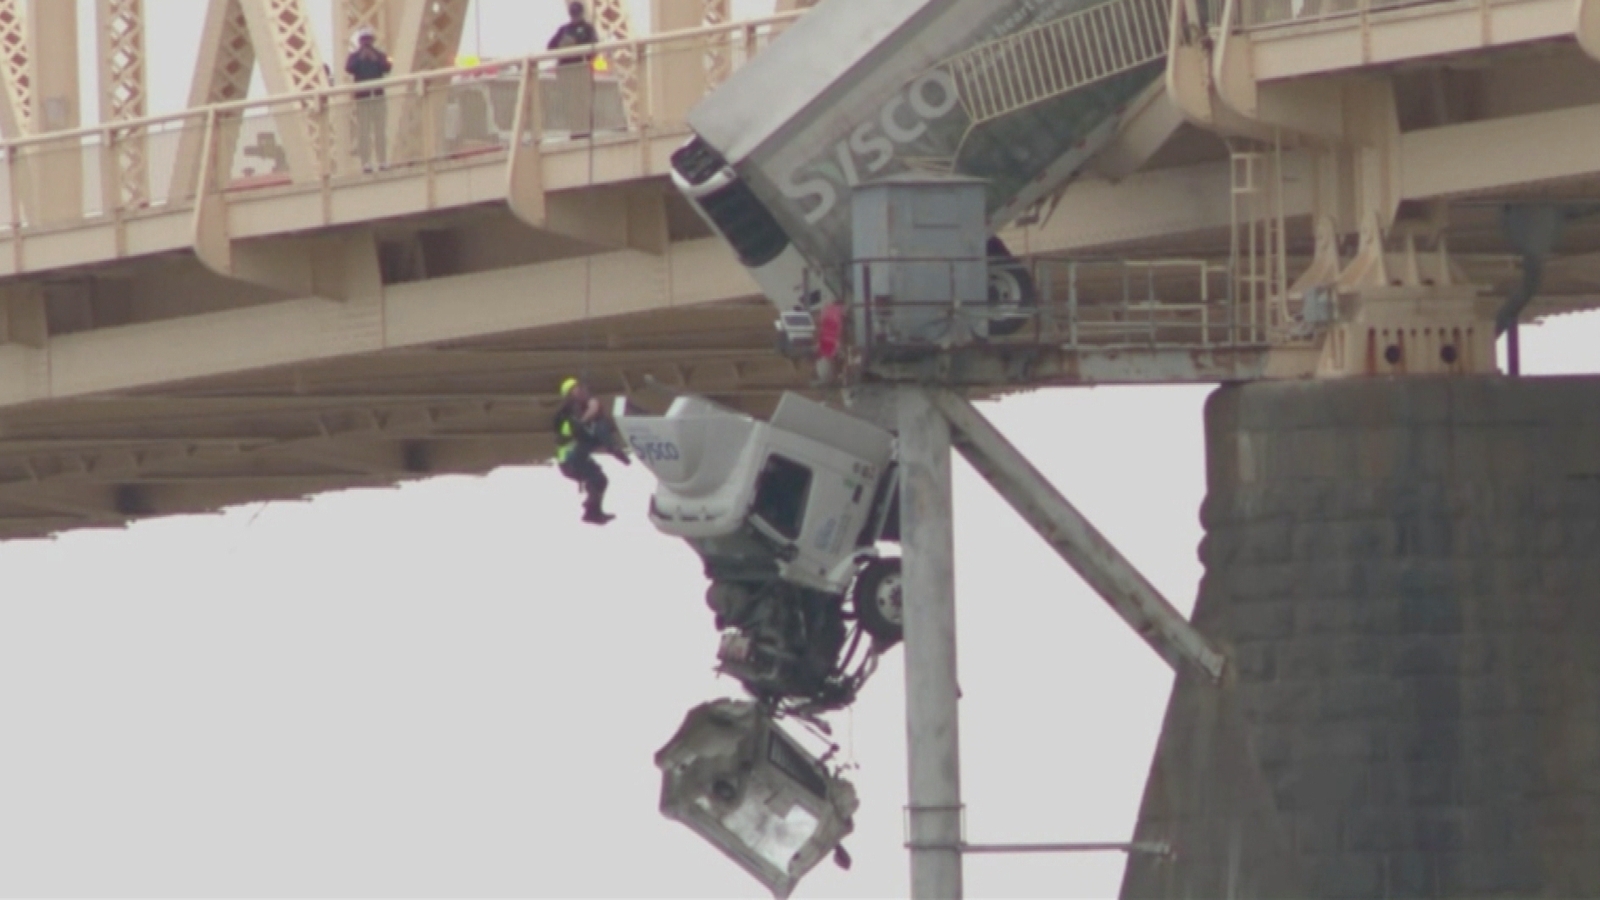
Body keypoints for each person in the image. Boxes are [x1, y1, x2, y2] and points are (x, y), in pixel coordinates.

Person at [554, 377, 628, 525]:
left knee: (600, 480)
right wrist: (584, 423)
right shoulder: (567, 414)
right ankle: (591, 509)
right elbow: (570, 433)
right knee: (597, 479)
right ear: (570, 394)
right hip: (570, 459)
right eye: (576, 389)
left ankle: (592, 511)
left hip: (576, 457)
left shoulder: (580, 409)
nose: (581, 391)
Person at [345, 27, 392, 172]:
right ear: (360, 42)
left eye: (368, 40)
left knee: (380, 131)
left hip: (378, 97)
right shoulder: (354, 56)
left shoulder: (379, 55)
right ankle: (366, 163)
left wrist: (376, 60)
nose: (366, 43)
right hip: (363, 98)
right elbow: (348, 68)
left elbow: (387, 68)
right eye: (364, 40)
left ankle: (382, 160)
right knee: (364, 132)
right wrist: (360, 59)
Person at [547, 2, 598, 138]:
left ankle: (583, 131)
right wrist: (563, 46)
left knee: (581, 102)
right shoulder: (564, 29)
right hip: (566, 72)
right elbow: (550, 46)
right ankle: (575, 131)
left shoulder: (587, 29)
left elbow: (593, 49)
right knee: (570, 103)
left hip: (580, 71)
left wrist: (577, 46)